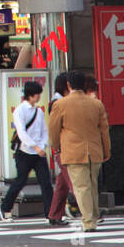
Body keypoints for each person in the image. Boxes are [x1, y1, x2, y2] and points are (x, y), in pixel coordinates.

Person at [48, 69, 110, 233]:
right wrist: (106, 150)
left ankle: (89, 221)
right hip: (95, 151)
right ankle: (94, 216)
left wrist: (56, 147)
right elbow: (104, 130)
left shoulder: (60, 104)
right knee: (92, 185)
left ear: (68, 85)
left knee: (82, 187)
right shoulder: (96, 104)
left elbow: (53, 130)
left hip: (73, 151)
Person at [0, 81, 53, 220]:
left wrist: (42, 145)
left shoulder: (39, 111)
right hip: (24, 152)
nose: (39, 97)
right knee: (20, 181)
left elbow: (44, 131)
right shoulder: (19, 110)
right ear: (31, 95)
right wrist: (35, 146)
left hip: (38, 152)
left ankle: (51, 213)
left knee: (46, 182)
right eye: (37, 94)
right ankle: (5, 208)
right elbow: (21, 132)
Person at [45, 73, 74, 226]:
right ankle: (88, 212)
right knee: (74, 181)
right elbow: (56, 127)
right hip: (63, 147)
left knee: (62, 184)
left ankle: (54, 214)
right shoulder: (58, 102)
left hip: (63, 147)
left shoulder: (59, 101)